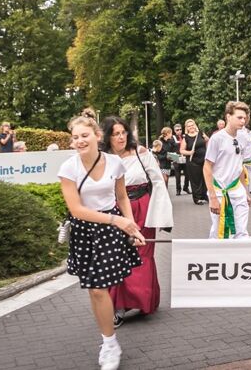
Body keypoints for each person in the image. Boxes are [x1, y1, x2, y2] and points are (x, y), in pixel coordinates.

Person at [57, 115, 144, 370]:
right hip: (85, 231)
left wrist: (132, 227)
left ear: (97, 136)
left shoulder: (115, 162)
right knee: (95, 291)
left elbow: (122, 197)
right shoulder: (68, 168)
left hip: (109, 231)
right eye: (75, 137)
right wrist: (118, 221)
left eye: (84, 135)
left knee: (98, 289)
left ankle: (109, 344)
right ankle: (109, 341)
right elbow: (76, 210)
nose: (79, 141)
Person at [100, 116, 173, 328]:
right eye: (115, 134)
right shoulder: (103, 158)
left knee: (143, 253)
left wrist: (161, 214)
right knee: (118, 256)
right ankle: (118, 307)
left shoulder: (141, 153)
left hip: (142, 207)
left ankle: (142, 301)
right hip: (115, 210)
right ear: (108, 137)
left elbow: (158, 181)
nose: (121, 137)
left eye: (123, 132)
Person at [203, 101, 251, 239]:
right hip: (219, 191)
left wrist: (245, 192)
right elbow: (207, 167)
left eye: (244, 118)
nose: (243, 121)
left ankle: (241, 250)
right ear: (228, 116)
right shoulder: (217, 139)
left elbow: (240, 166)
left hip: (237, 190)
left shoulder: (243, 137)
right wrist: (212, 197)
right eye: (239, 117)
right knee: (219, 232)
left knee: (242, 231)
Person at [180, 119, 209, 205]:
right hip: (193, 162)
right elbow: (181, 150)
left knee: (205, 178)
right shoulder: (186, 138)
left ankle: (206, 196)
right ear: (186, 128)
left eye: (192, 125)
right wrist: (189, 152)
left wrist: (206, 139)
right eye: (189, 126)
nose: (191, 127)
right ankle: (197, 198)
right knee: (196, 180)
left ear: (195, 125)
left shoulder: (201, 133)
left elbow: (207, 141)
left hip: (204, 160)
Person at [171, 124, 189, 195]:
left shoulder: (185, 137)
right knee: (177, 176)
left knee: (187, 174)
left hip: (185, 157)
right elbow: (170, 149)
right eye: (177, 130)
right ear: (174, 131)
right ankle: (178, 190)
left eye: (180, 129)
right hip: (176, 158)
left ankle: (186, 187)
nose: (179, 131)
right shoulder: (172, 138)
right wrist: (173, 158)